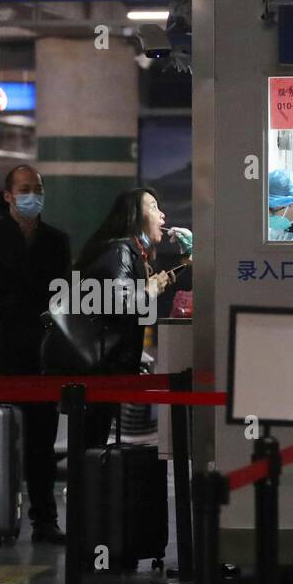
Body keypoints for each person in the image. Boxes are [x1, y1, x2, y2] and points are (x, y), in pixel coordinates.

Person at [0, 165, 73, 543]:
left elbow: (63, 292)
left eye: (37, 188)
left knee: (42, 441)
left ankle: (44, 519)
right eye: (24, 188)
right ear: (8, 195)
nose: (32, 195)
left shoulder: (56, 241)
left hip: (40, 351)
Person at [74, 188, 178, 447]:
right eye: (153, 207)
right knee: (92, 443)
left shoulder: (133, 253)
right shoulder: (120, 252)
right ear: (134, 216)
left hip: (107, 367)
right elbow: (120, 304)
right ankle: (85, 488)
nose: (162, 214)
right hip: (99, 370)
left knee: (95, 441)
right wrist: (152, 289)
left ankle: (87, 486)